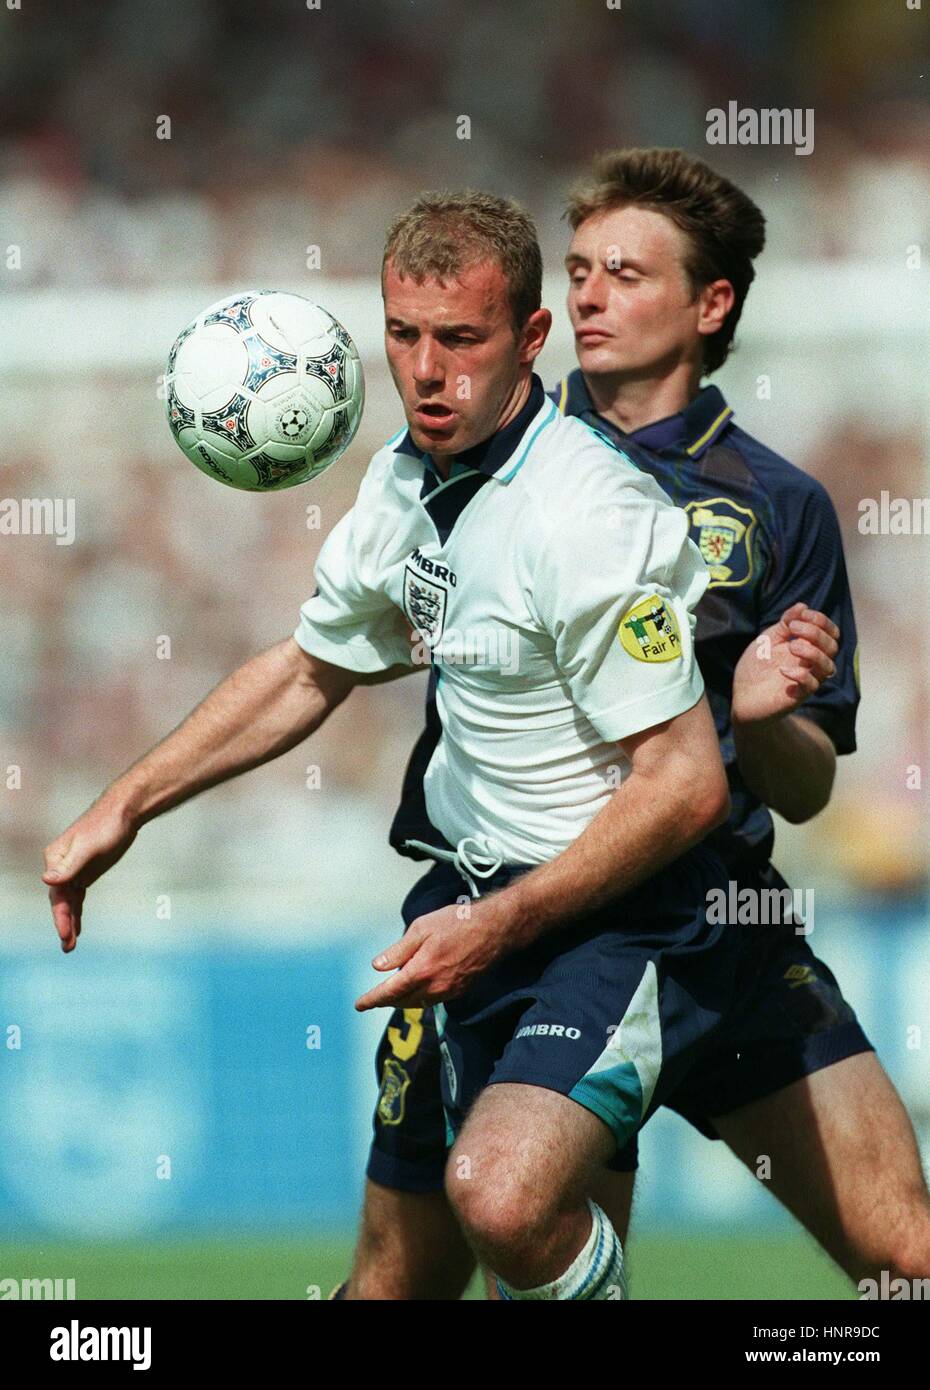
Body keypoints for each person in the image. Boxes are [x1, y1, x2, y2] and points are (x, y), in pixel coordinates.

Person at [44, 188, 745, 1302]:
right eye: (403, 335)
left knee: (503, 1197)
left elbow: (687, 782)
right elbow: (313, 666)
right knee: (389, 1284)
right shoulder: (405, 483)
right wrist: (125, 804)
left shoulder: (590, 519)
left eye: (461, 340)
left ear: (530, 340)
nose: (426, 371)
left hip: (607, 925)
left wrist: (504, 922)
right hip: (459, 916)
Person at [344, 151, 930, 1300]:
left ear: (711, 305)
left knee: (906, 1255)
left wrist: (761, 718)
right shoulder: (486, 459)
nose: (595, 295)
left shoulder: (779, 505)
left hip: (719, 921)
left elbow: (805, 784)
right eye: (580, 270)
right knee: (448, 1266)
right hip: (546, 924)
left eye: (626, 269)